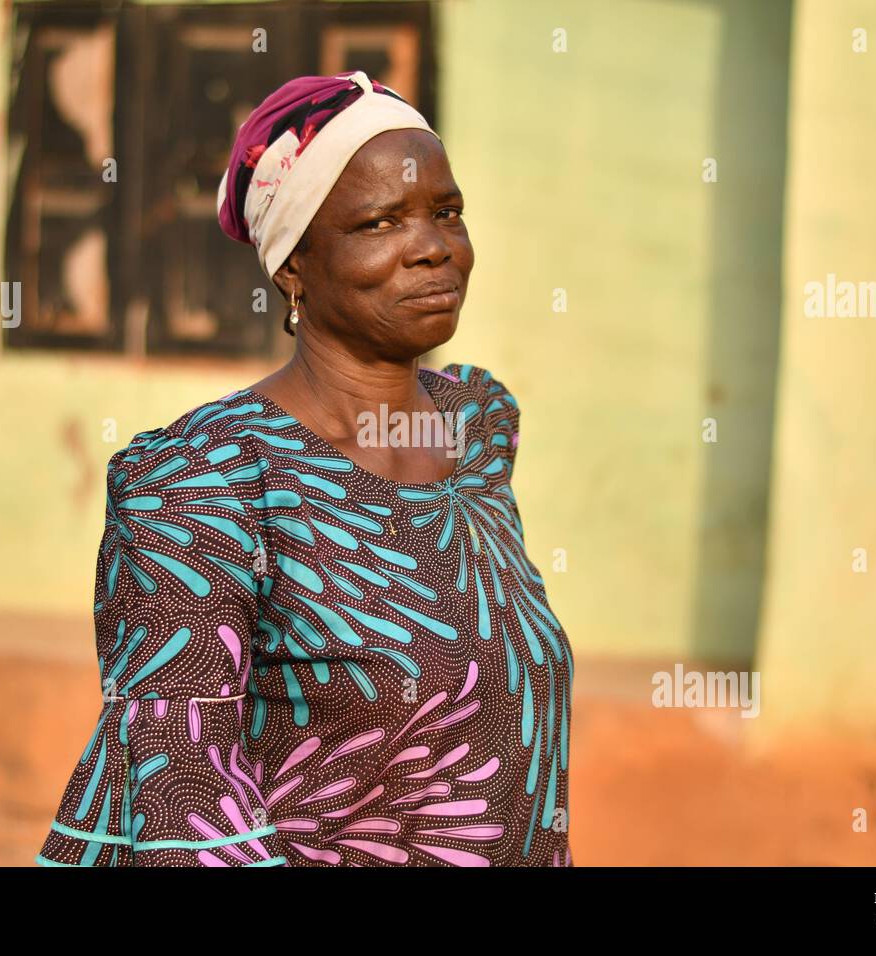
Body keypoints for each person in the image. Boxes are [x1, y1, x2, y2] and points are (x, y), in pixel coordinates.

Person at [35, 70, 574, 867]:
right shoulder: (204, 481)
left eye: (446, 212)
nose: (433, 247)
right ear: (294, 268)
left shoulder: (476, 431)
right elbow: (182, 803)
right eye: (378, 222)